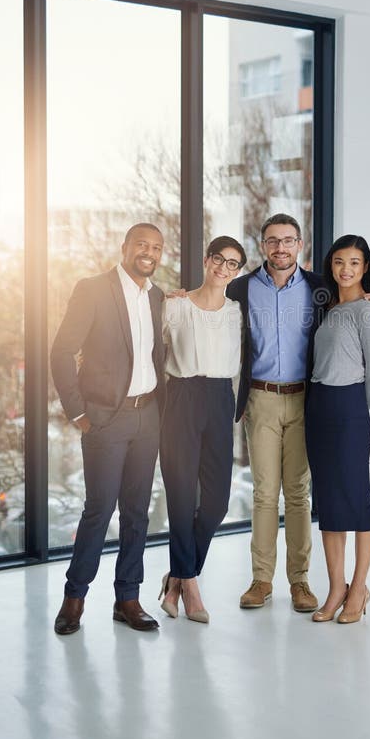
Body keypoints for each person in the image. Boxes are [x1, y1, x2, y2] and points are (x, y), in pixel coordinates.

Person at [50, 223, 166, 634]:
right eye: (141, 244)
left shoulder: (157, 296)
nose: (148, 252)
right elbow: (61, 350)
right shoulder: (93, 289)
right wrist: (77, 412)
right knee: (99, 510)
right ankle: (74, 599)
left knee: (137, 512)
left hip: (147, 415)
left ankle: (128, 599)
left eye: (155, 247)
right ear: (125, 247)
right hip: (105, 418)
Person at [227, 214, 324, 612]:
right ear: (262, 245)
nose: (280, 248)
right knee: (265, 493)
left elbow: (350, 307)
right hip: (261, 399)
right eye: (272, 241)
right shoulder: (241, 288)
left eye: (288, 240)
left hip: (306, 400)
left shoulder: (321, 288)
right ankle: (261, 580)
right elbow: (208, 305)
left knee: (299, 494)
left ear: (299, 244)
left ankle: (300, 582)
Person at [158, 236, 246, 624]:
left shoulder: (237, 312)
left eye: (233, 264)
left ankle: (177, 576)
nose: (224, 269)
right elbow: (152, 348)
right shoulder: (175, 306)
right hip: (181, 396)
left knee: (216, 503)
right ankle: (190, 586)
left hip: (218, 398)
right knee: (179, 496)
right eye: (219, 260)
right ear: (207, 260)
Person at [305, 234, 370, 624]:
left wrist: (355, 410)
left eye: (354, 262)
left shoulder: (368, 312)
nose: (346, 269)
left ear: (365, 267)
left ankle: (359, 587)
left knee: (356, 499)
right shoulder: (329, 307)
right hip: (318, 408)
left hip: (349, 408)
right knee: (330, 501)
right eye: (339, 261)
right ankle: (336, 588)